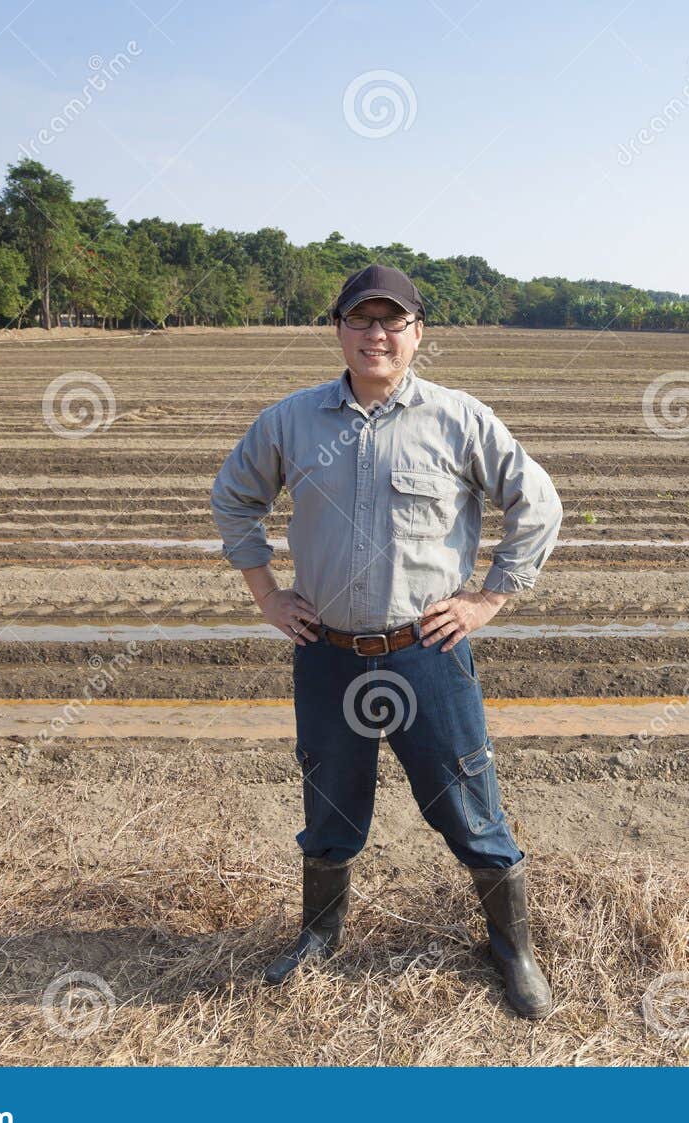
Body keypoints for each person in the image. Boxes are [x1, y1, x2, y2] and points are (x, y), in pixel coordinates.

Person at [209, 264, 564, 1018]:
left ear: (416, 333)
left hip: (425, 653)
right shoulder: (291, 421)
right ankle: (318, 936)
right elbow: (234, 497)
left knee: (471, 808)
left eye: (392, 321)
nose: (377, 334)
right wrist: (268, 593)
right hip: (328, 653)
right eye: (361, 319)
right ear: (337, 328)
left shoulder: (459, 418)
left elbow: (538, 504)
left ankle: (512, 949)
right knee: (330, 805)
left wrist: (487, 598)